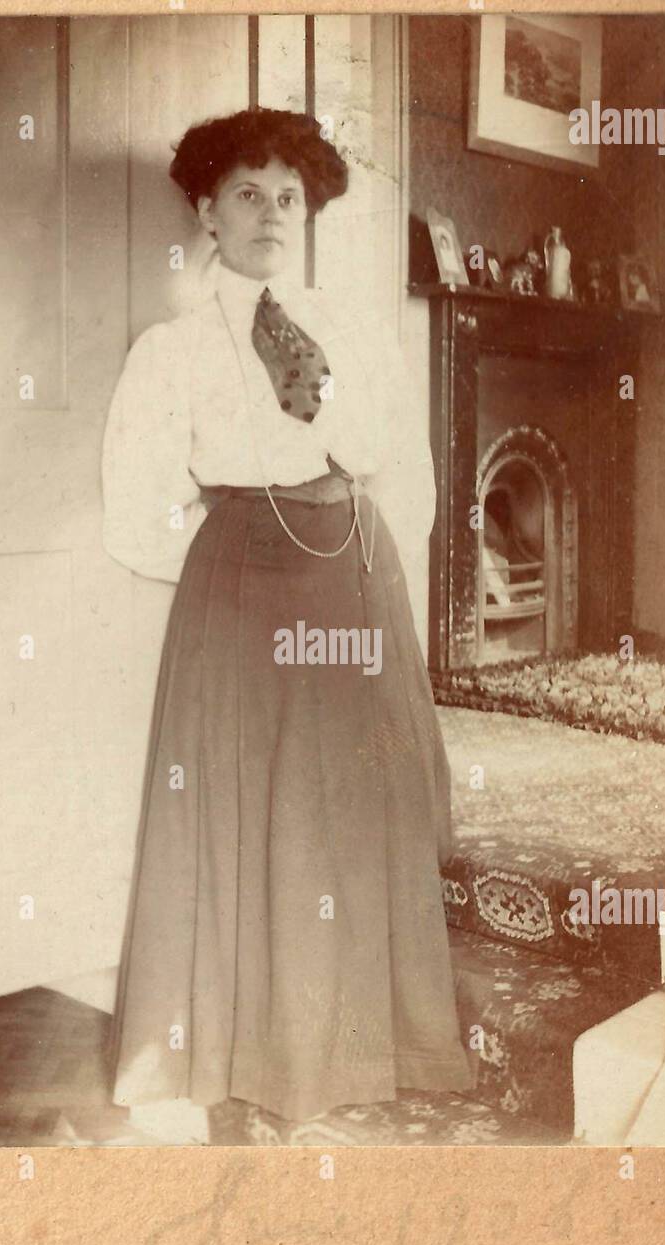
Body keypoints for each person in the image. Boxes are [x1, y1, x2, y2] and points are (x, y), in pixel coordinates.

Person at [101, 107, 471, 1143]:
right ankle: (247, 1052)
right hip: (240, 594)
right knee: (253, 816)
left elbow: (402, 464)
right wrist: (235, 561)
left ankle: (364, 1043)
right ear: (205, 211)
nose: (272, 213)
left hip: (354, 576)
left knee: (353, 807)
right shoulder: (169, 349)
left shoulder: (351, 330)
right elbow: (133, 512)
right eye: (249, 194)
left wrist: (374, 570)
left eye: (290, 198)